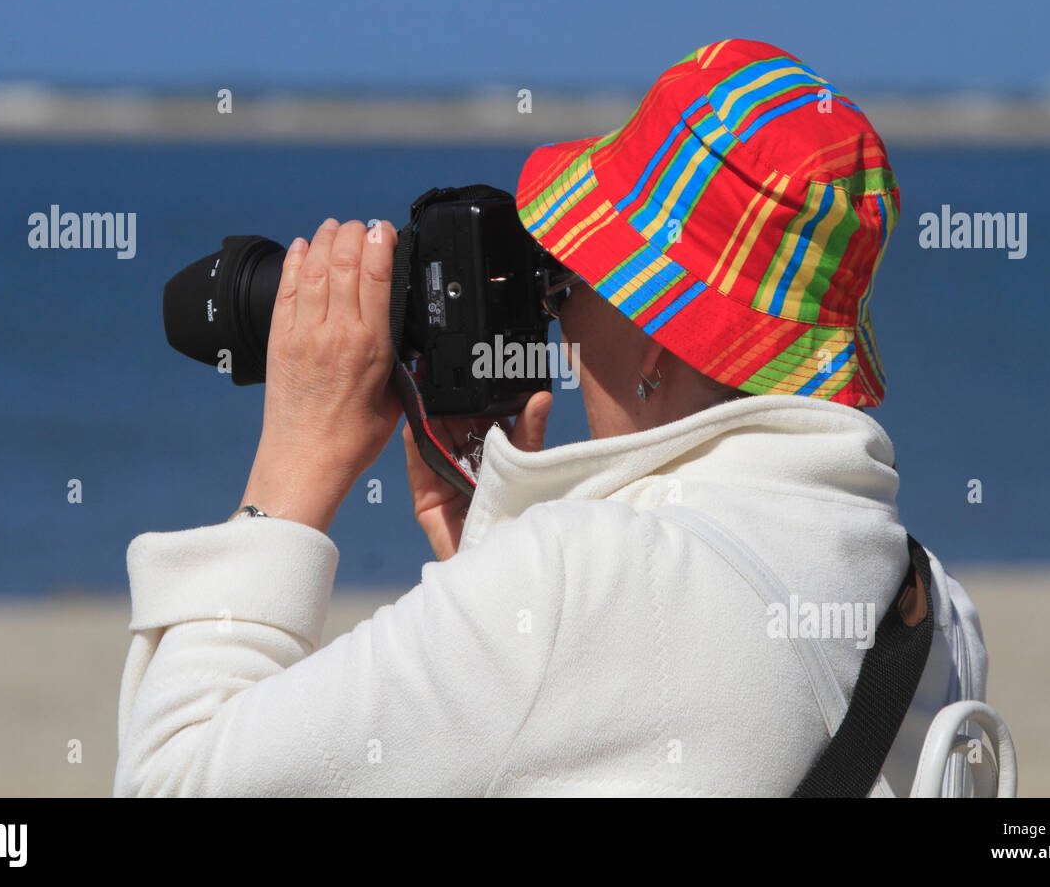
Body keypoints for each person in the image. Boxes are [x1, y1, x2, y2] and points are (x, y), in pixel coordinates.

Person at [114, 39, 988, 797]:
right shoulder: (934, 608)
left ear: (661, 336)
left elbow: (171, 780)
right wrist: (487, 575)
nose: (558, 316)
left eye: (574, 278)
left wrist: (293, 470)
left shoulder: (581, 585)